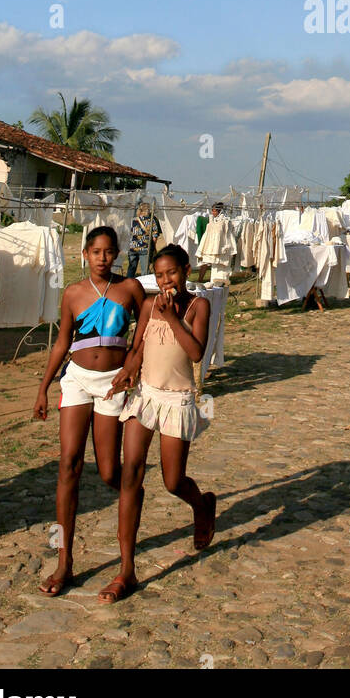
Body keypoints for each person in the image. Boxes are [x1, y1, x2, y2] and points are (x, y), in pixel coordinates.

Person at [98, 244, 215, 603]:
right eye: (160, 275)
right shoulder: (149, 305)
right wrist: (125, 375)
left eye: (173, 273)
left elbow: (196, 353)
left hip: (177, 398)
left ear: (187, 270)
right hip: (146, 396)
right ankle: (126, 570)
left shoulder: (198, 306)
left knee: (172, 480)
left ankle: (201, 505)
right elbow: (138, 349)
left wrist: (173, 318)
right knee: (130, 472)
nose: (166, 280)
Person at [33, 226, 144, 597]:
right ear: (84, 254)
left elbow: (145, 328)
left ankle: (127, 558)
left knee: (111, 471)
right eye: (96, 251)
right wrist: (43, 387)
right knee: (69, 465)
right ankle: (64, 562)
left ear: (116, 255)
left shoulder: (129, 289)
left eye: (109, 252)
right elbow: (63, 341)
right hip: (77, 380)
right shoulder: (73, 294)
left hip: (113, 383)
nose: (102, 258)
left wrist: (133, 365)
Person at [125, 200, 162, 279]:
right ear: (148, 210)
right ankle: (144, 287)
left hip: (132, 247)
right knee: (144, 271)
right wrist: (153, 246)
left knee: (131, 268)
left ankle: (127, 283)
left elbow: (127, 233)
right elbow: (155, 236)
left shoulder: (132, 220)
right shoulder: (151, 221)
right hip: (145, 247)